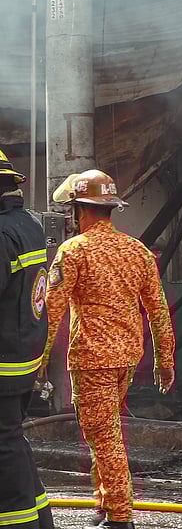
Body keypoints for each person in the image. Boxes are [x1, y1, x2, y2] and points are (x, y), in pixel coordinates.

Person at [40, 170, 176, 529]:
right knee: (106, 431)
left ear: (77, 210)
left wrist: (37, 363)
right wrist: (165, 359)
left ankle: (119, 517)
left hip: (91, 359)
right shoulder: (137, 251)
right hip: (127, 358)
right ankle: (106, 501)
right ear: (110, 208)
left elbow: (52, 311)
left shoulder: (74, 251)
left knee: (104, 436)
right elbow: (158, 309)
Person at [0, 149, 55, 529]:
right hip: (23, 359)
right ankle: (41, 518)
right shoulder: (28, 224)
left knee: (2, 449)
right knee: (11, 440)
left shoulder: (1, 233)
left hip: (3, 362)